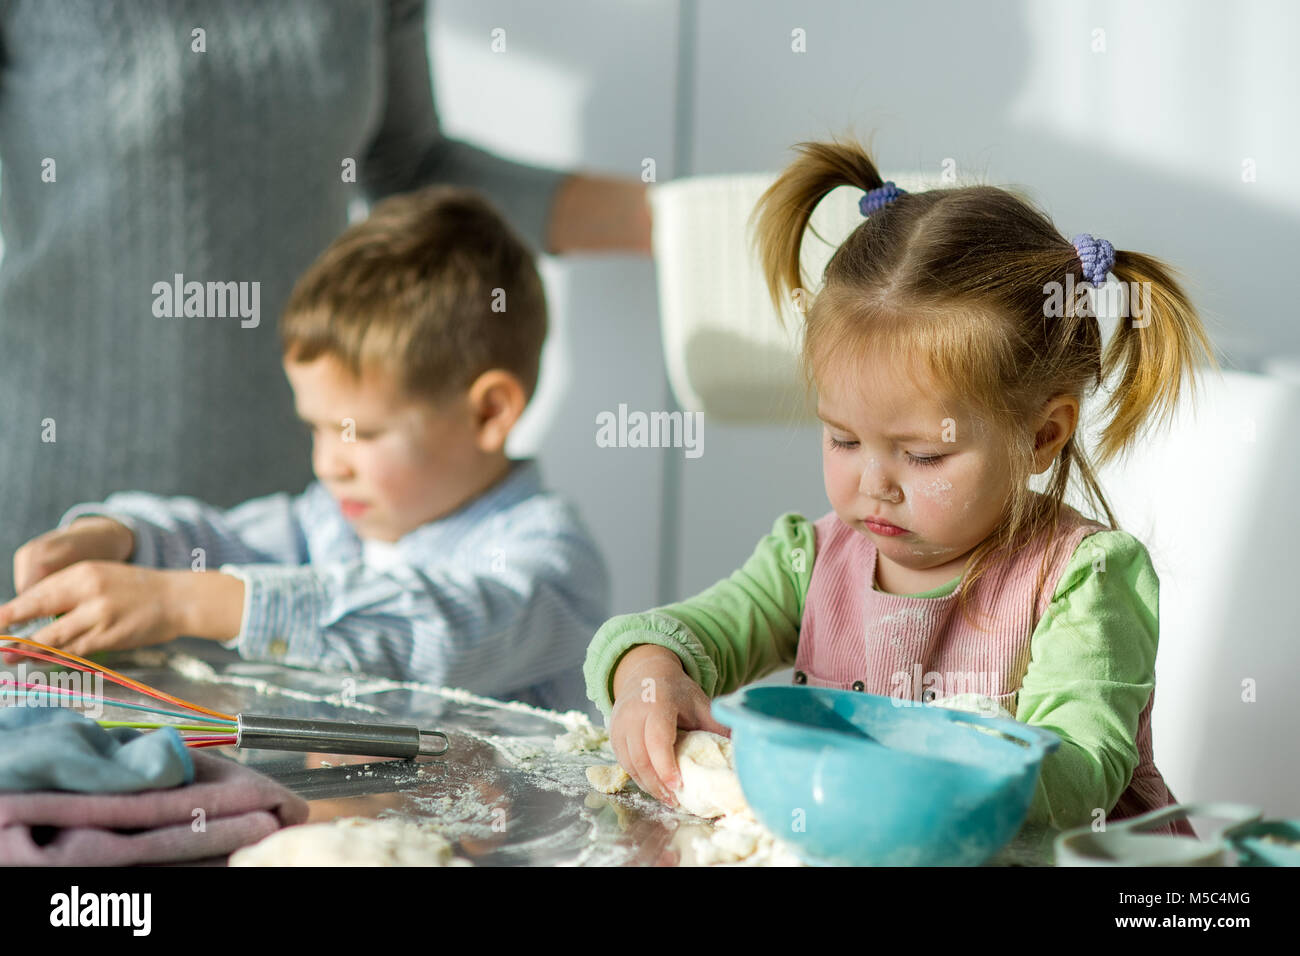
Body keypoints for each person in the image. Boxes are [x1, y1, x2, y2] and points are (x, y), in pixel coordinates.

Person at [582, 135, 1221, 835]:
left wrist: (895, 775)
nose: (874, 485)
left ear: (1042, 436)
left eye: (921, 456)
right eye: (844, 440)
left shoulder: (1081, 578)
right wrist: (650, 673)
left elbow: (1080, 776)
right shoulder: (810, 560)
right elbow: (675, 630)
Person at [0, 0, 650, 602]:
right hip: (46, 495)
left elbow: (413, 169)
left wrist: (687, 222)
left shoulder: (334, 513)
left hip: (286, 525)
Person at [0, 185, 610, 717]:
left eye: (361, 434)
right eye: (316, 429)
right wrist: (124, 539)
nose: (328, 463)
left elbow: (437, 634)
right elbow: (223, 541)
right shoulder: (330, 521)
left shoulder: (551, 563)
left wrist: (185, 600)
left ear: (489, 412)